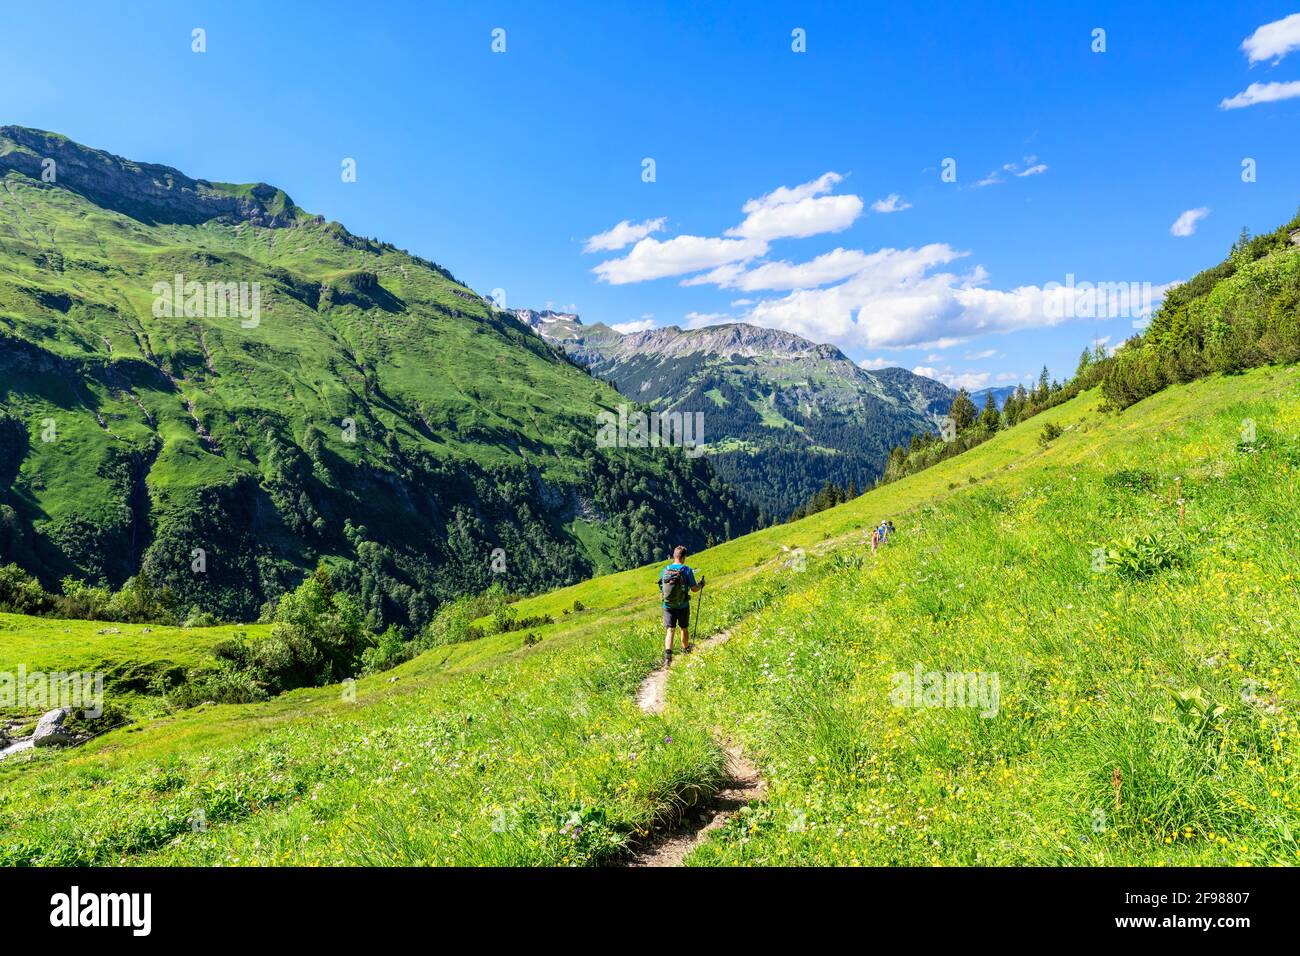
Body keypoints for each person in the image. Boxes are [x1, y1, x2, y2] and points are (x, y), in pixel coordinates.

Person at [659, 545, 704, 665]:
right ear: (684, 557)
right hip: (682, 605)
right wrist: (701, 585)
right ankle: (685, 651)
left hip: (668, 605)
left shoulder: (665, 569)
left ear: (674, 555)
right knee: (683, 628)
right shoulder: (686, 570)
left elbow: (661, 586)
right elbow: (694, 589)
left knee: (670, 629)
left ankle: (668, 656)